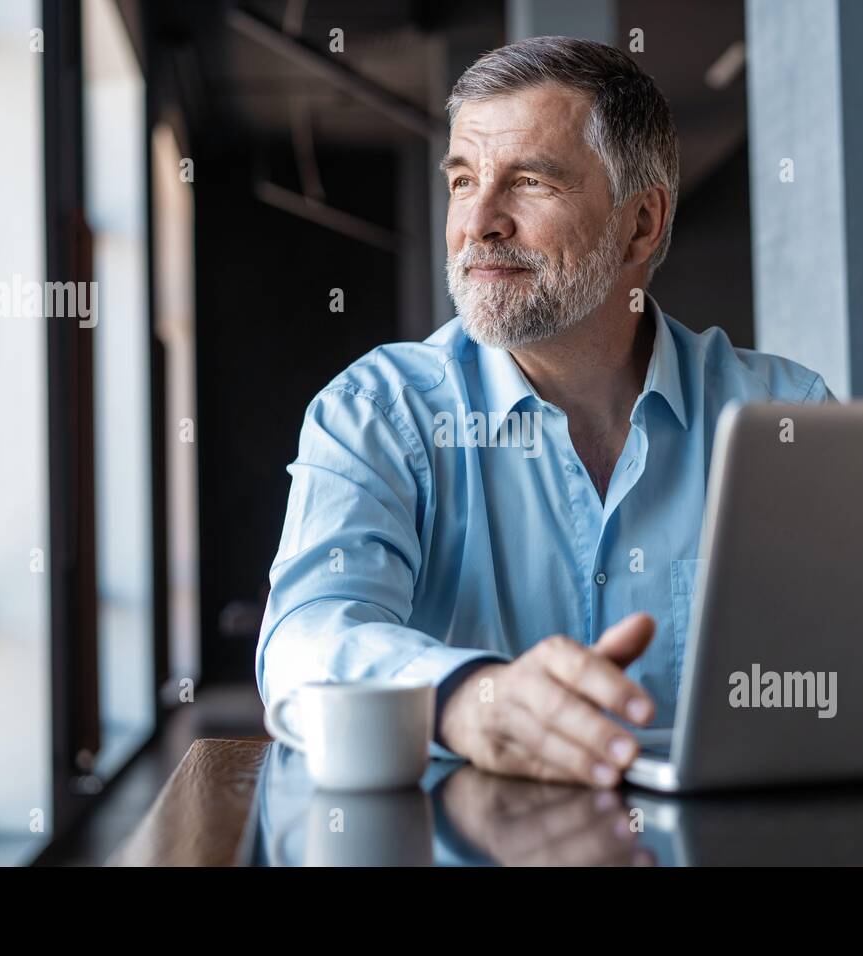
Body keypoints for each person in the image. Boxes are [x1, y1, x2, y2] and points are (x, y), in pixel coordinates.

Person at [257, 36, 833, 788]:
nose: (480, 222)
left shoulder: (783, 417)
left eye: (529, 181)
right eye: (464, 181)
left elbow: (862, 659)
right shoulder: (376, 413)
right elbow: (305, 639)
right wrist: (465, 696)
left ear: (641, 224)